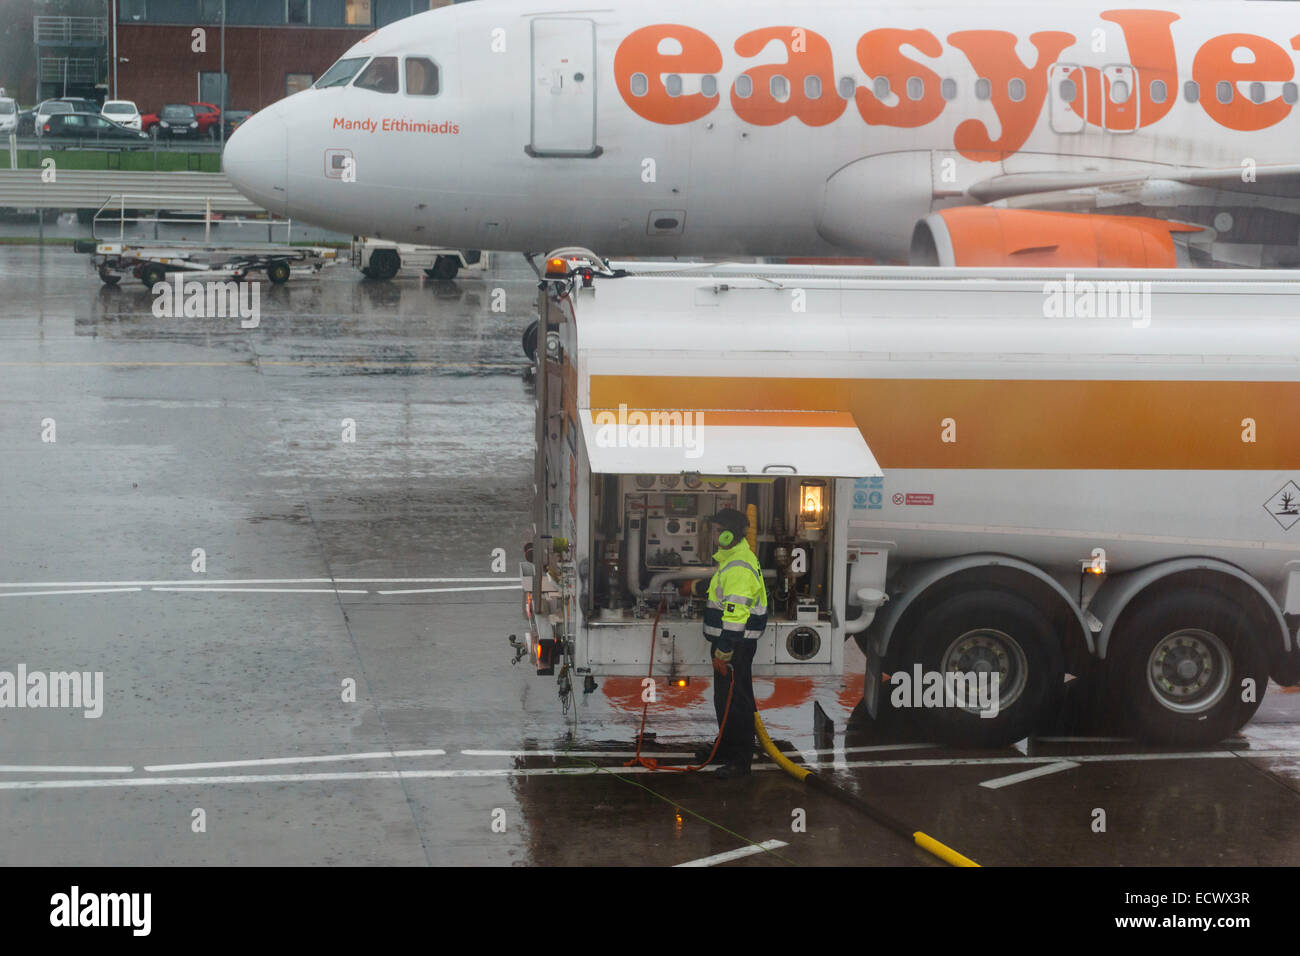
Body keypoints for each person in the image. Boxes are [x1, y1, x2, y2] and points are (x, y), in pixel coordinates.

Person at [685, 508, 768, 779]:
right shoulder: (734, 559)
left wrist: (724, 650)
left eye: (719, 530)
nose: (715, 535)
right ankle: (725, 747)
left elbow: (736, 615)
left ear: (730, 533)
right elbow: (721, 589)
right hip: (731, 644)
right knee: (725, 698)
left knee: (737, 701)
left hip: (735, 645)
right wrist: (695, 587)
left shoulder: (740, 566)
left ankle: (740, 760)